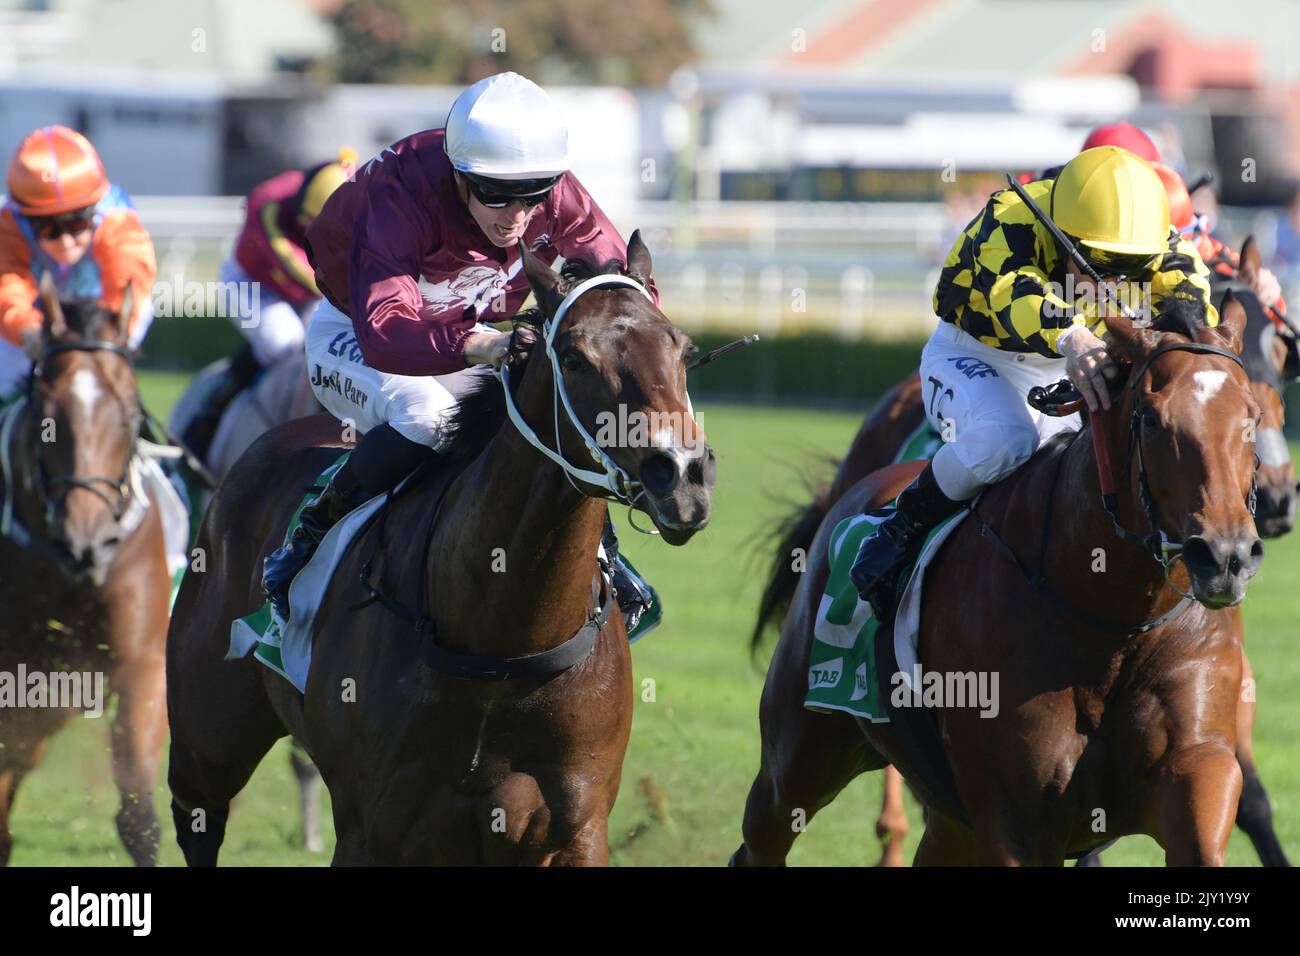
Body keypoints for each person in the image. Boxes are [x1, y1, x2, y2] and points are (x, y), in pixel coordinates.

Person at [262, 72, 661, 638]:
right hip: (357, 333)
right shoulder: (401, 192)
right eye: (495, 194)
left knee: (549, 412)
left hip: (471, 335)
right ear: (458, 175)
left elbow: (620, 294)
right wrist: (480, 345)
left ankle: (605, 555)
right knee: (424, 417)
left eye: (534, 193)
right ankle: (308, 537)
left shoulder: (556, 196)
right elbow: (385, 329)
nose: (517, 215)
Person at [849, 146, 1219, 620]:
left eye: (1126, 269)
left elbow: (1195, 313)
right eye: (1094, 263)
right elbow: (1011, 289)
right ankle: (901, 530)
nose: (1108, 281)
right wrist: (1072, 337)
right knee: (1006, 439)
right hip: (975, 355)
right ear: (1061, 234)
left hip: (1071, 360)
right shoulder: (1011, 217)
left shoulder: (1159, 243)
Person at [181, 150, 356, 460]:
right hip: (253, 283)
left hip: (310, 288)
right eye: (309, 223)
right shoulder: (268, 205)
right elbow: (303, 271)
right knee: (282, 343)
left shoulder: (355, 198)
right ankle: (210, 413)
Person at [0, 125, 155, 399]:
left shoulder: (116, 219)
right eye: (49, 229)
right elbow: (8, 284)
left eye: (77, 223)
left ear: (94, 210)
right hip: (30, 319)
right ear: (25, 217)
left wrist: (106, 334)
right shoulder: (9, 223)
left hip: (104, 311)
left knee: (102, 382)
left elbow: (128, 282)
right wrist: (28, 330)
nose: (66, 242)